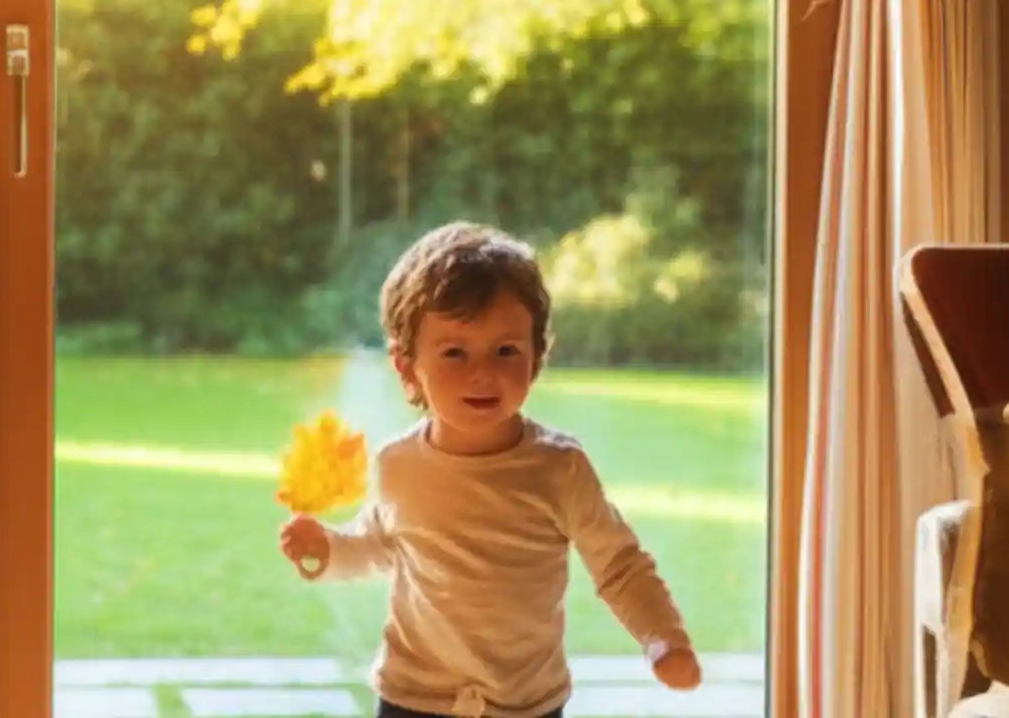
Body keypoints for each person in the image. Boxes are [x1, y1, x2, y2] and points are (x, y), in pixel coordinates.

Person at [280, 221, 702, 718]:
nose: (483, 372)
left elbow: (620, 565)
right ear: (406, 365)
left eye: (506, 350)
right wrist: (327, 550)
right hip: (412, 697)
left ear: (537, 355)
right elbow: (380, 547)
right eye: (454, 352)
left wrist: (664, 638)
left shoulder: (559, 468)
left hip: (526, 704)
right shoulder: (398, 467)